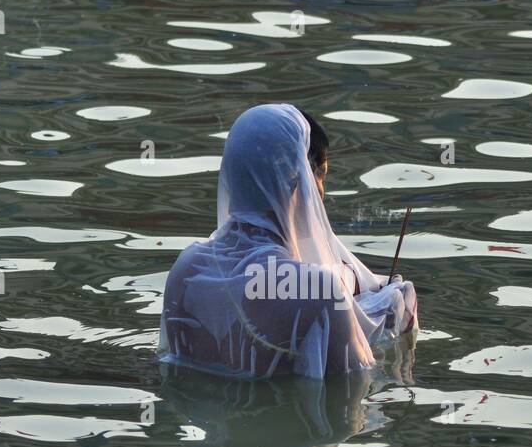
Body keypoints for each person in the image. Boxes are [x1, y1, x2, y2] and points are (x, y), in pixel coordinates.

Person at [159, 103, 417, 379]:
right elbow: (353, 402)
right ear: (298, 181)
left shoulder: (186, 271)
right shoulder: (320, 292)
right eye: (320, 176)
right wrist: (391, 320)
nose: (322, 194)